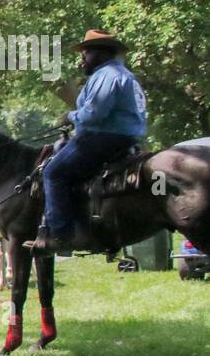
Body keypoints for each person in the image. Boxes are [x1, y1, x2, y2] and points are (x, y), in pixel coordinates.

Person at [26, 29, 147, 253]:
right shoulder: (125, 75)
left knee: (53, 172)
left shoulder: (106, 76)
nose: (82, 57)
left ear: (100, 53)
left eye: (86, 52)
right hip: (125, 138)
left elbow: (93, 114)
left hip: (102, 138)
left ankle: (60, 236)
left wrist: (70, 117)